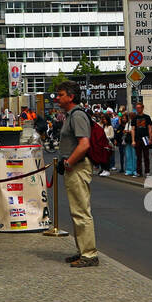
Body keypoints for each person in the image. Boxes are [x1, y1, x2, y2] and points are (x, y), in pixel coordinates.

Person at [54, 81, 98, 268]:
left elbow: (84, 144)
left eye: (61, 94)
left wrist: (68, 162)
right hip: (74, 166)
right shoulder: (71, 115)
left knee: (81, 211)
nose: (57, 98)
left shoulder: (77, 115)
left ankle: (89, 254)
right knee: (76, 210)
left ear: (71, 97)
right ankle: (83, 250)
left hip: (78, 167)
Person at [129, 102, 152, 178]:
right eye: (137, 108)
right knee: (138, 156)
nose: (138, 109)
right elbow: (133, 129)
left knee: (146, 155)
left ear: (142, 108)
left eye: (139, 108)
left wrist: (150, 138)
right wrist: (133, 140)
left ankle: (147, 171)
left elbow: (150, 128)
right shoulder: (134, 118)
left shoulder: (147, 117)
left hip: (145, 138)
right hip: (137, 139)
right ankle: (138, 172)